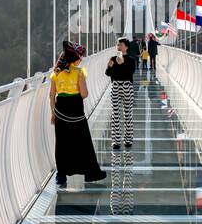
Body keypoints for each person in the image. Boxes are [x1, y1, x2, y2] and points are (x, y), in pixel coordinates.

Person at [49, 41, 106, 189]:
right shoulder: (79, 72)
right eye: (80, 57)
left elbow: (51, 95)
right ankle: (91, 173)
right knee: (83, 142)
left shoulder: (55, 73)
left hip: (60, 110)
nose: (81, 59)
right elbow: (85, 94)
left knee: (61, 143)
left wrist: (53, 113)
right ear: (75, 59)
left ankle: (61, 175)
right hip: (75, 110)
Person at [105, 37, 137, 150]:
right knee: (115, 114)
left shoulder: (131, 60)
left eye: (121, 45)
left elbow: (130, 73)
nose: (118, 47)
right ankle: (116, 141)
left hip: (127, 86)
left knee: (128, 114)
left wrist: (122, 63)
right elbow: (108, 73)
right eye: (118, 45)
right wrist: (109, 66)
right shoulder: (113, 58)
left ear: (126, 47)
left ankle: (128, 140)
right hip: (115, 86)